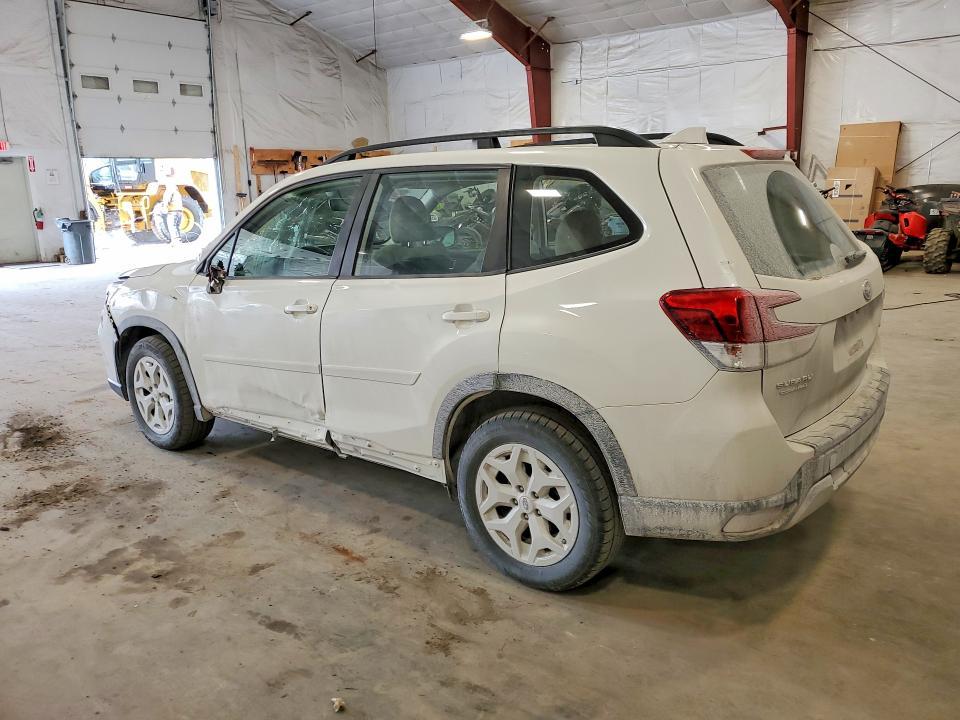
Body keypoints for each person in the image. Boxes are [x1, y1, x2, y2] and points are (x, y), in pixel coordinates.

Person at [161, 167, 183, 243]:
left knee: (172, 226)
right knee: (176, 226)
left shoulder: (169, 189)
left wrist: (164, 207)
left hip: (173, 212)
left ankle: (176, 242)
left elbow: (167, 198)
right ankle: (178, 240)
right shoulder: (176, 191)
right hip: (179, 211)